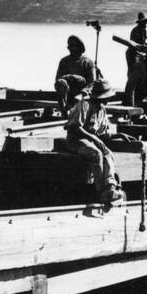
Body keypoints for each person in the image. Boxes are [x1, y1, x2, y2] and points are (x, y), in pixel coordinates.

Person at [55, 75, 122, 205]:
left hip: (90, 140)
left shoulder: (101, 109)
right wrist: (95, 139)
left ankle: (110, 186)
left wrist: (119, 135)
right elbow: (75, 127)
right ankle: (101, 191)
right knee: (96, 154)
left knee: (107, 153)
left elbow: (103, 132)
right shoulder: (84, 104)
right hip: (76, 140)